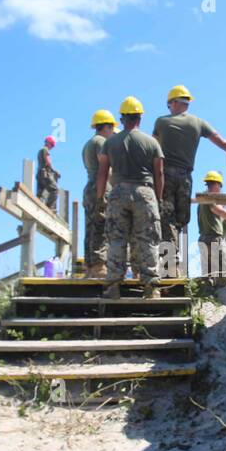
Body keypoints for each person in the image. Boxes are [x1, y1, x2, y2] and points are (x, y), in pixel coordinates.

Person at [152, 85, 226, 274]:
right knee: (180, 221)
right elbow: (222, 141)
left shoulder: (161, 122)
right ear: (187, 102)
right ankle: (173, 263)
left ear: (173, 103)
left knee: (166, 220)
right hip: (185, 177)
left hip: (165, 176)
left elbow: (153, 148)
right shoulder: (198, 123)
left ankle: (170, 267)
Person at [96, 96, 164, 300]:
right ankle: (151, 288)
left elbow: (102, 172)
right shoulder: (152, 142)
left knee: (116, 239)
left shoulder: (110, 142)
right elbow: (159, 173)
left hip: (118, 192)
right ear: (140, 118)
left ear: (122, 119)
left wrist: (100, 197)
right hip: (145, 192)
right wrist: (158, 199)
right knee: (148, 240)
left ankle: (113, 287)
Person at [81, 109, 116, 278]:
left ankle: (89, 265)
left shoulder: (88, 143)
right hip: (100, 187)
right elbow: (106, 169)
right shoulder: (102, 142)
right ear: (107, 127)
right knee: (101, 226)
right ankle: (99, 266)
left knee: (91, 226)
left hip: (89, 187)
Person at [197, 171, 226, 290]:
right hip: (213, 237)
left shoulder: (202, 200)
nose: (220, 190)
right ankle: (221, 294)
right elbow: (220, 212)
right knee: (224, 267)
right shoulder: (210, 198)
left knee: (208, 271)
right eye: (220, 186)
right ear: (217, 184)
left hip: (203, 238)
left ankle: (208, 293)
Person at [35, 136, 61, 212]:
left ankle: (38, 207)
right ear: (48, 143)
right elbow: (48, 162)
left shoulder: (40, 151)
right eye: (52, 145)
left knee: (40, 194)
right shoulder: (45, 150)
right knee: (55, 189)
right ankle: (49, 207)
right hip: (45, 174)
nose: (52, 147)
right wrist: (54, 171)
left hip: (39, 174)